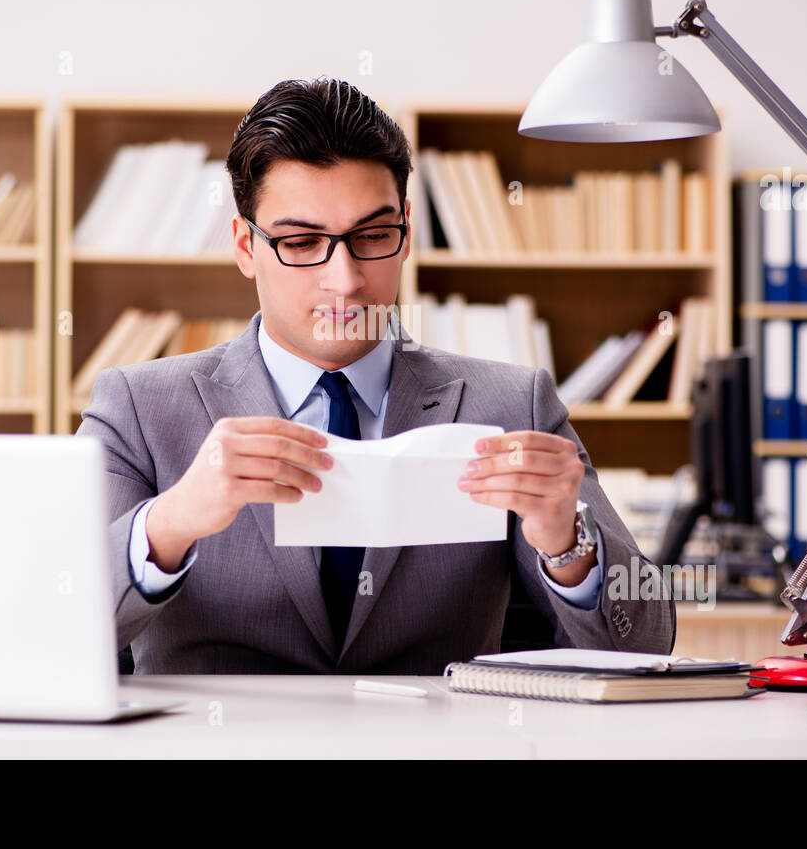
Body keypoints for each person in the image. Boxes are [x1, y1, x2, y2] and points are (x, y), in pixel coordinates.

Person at [78, 77, 676, 675]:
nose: (344, 279)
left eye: (371, 236)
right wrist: (170, 522)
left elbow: (646, 646)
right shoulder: (139, 406)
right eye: (301, 241)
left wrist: (570, 545)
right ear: (243, 245)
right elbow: (51, 626)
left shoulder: (512, 403)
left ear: (406, 234)